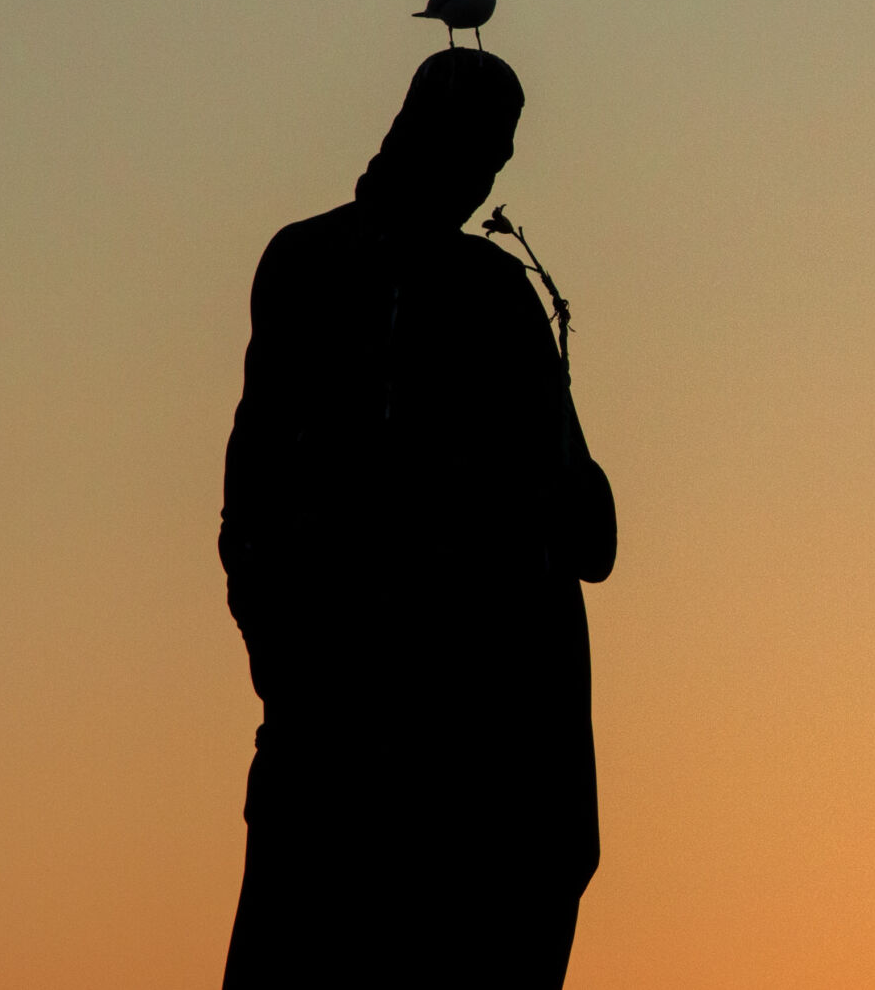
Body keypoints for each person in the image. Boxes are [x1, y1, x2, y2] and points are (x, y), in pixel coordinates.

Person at [218, 49, 615, 988]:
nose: (486, 179)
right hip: (391, 745)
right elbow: (255, 485)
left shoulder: (451, 287)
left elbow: (587, 525)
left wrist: (286, 661)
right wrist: (289, 660)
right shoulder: (383, 277)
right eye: (483, 152)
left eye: (499, 162)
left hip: (399, 742)